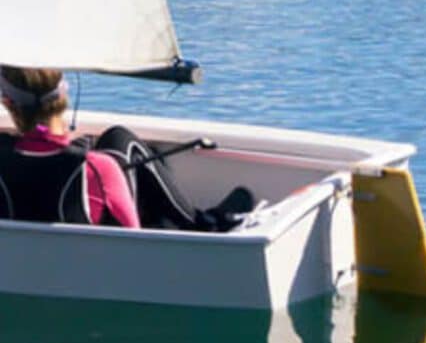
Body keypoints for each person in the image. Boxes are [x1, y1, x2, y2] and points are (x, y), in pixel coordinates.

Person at [0, 65, 253, 230]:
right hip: (97, 271)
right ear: (63, 96)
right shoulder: (97, 167)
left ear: (7, 102)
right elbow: (132, 236)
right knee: (120, 138)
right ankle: (204, 225)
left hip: (25, 270)